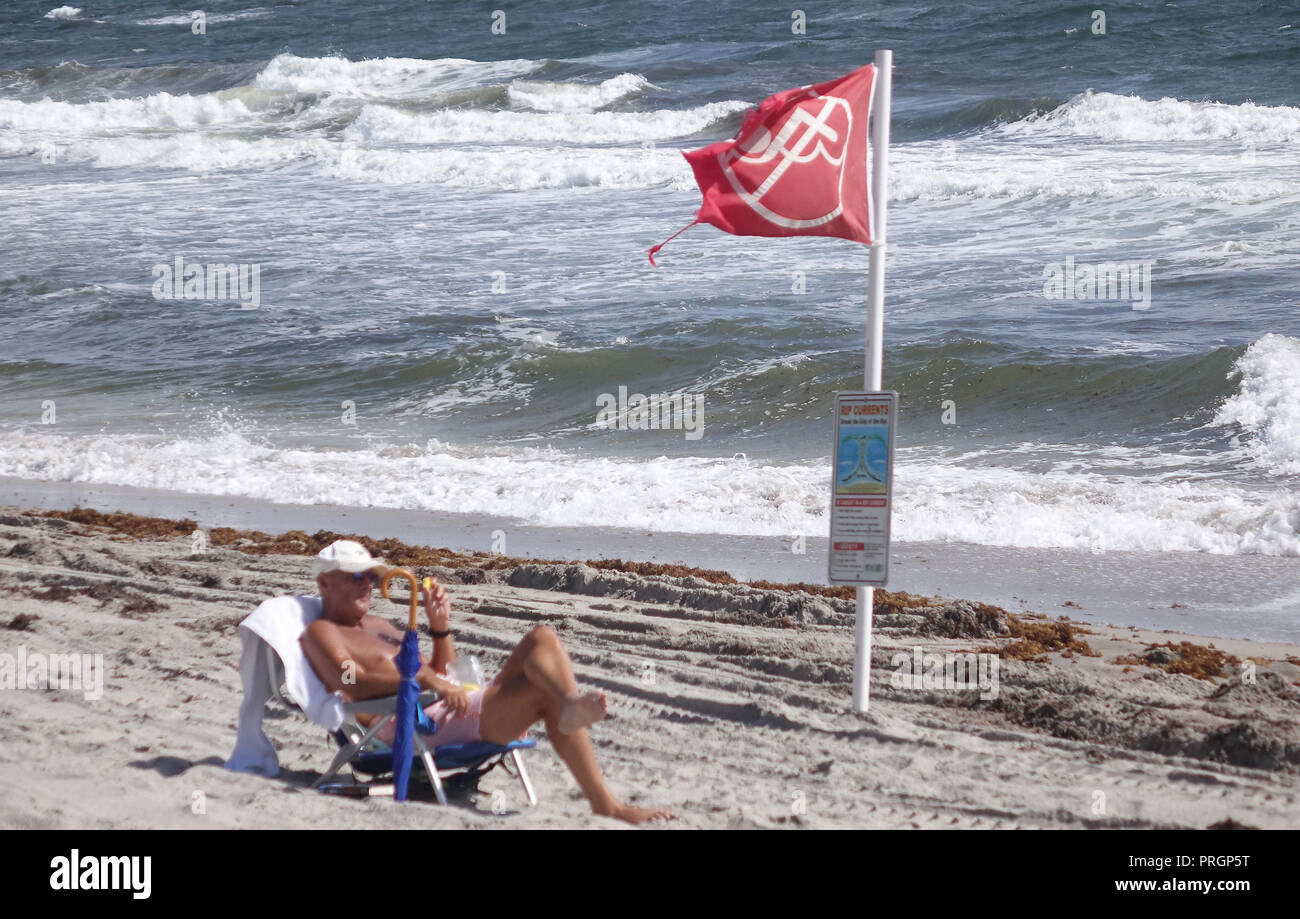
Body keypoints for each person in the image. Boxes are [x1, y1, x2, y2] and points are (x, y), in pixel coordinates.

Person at [299, 539, 675, 825]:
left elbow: (440, 672)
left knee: (542, 637)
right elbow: (354, 681)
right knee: (544, 695)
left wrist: (440, 627)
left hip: (451, 702)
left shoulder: (380, 626)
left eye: (368, 575)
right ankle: (606, 801)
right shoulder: (322, 632)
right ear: (324, 584)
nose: (365, 583)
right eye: (354, 576)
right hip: (413, 726)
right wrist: (428, 679)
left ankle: (570, 706)